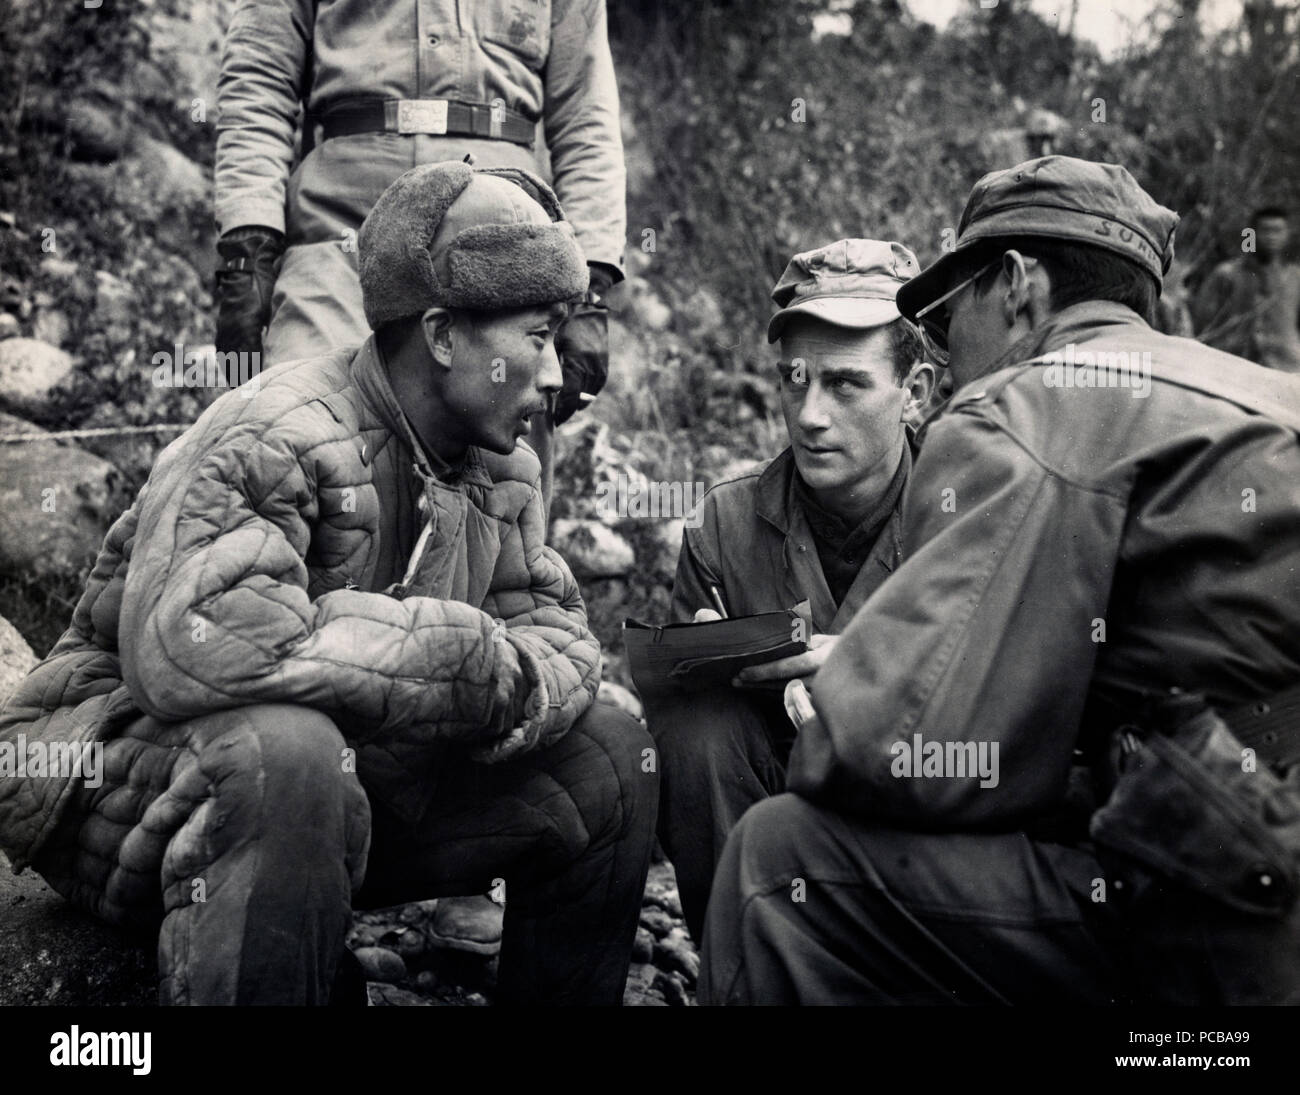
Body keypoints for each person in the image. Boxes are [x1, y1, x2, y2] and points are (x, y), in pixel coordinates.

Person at [0, 162, 657, 1006]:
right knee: (290, 751)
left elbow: (562, 640)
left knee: (610, 753)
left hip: (343, 794)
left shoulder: (504, 469)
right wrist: (459, 661)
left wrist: (505, 679)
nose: (559, 375)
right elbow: (195, 645)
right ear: (444, 335)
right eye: (537, 338)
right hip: (121, 775)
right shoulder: (279, 426)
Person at [699, 156, 1300, 1005]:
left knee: (780, 860)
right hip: (1248, 836)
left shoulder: (1024, 402)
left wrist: (856, 686)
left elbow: (910, 758)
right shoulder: (1268, 391)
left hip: (1243, 895)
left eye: (950, 316)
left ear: (1017, 286)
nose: (943, 353)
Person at [213, 0, 628, 500]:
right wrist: (248, 241)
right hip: (342, 225)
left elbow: (586, 113)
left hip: (505, 234)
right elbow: (260, 78)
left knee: (502, 480)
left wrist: (591, 281)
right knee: (294, 431)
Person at [647, 239, 936, 943]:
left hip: (920, 819)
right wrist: (710, 662)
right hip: (768, 820)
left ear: (916, 395)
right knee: (697, 727)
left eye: (844, 384)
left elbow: (1015, 714)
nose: (808, 414)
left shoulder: (967, 518)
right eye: (793, 380)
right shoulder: (726, 521)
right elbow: (678, 720)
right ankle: (741, 970)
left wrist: (870, 671)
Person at [1192, 205, 1300, 371]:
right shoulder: (1227, 274)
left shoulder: (1295, 277)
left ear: (1287, 235)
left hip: (1285, 368)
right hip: (1233, 365)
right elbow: (1203, 323)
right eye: (1265, 230)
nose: (1271, 237)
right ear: (1251, 234)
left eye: (1278, 231)